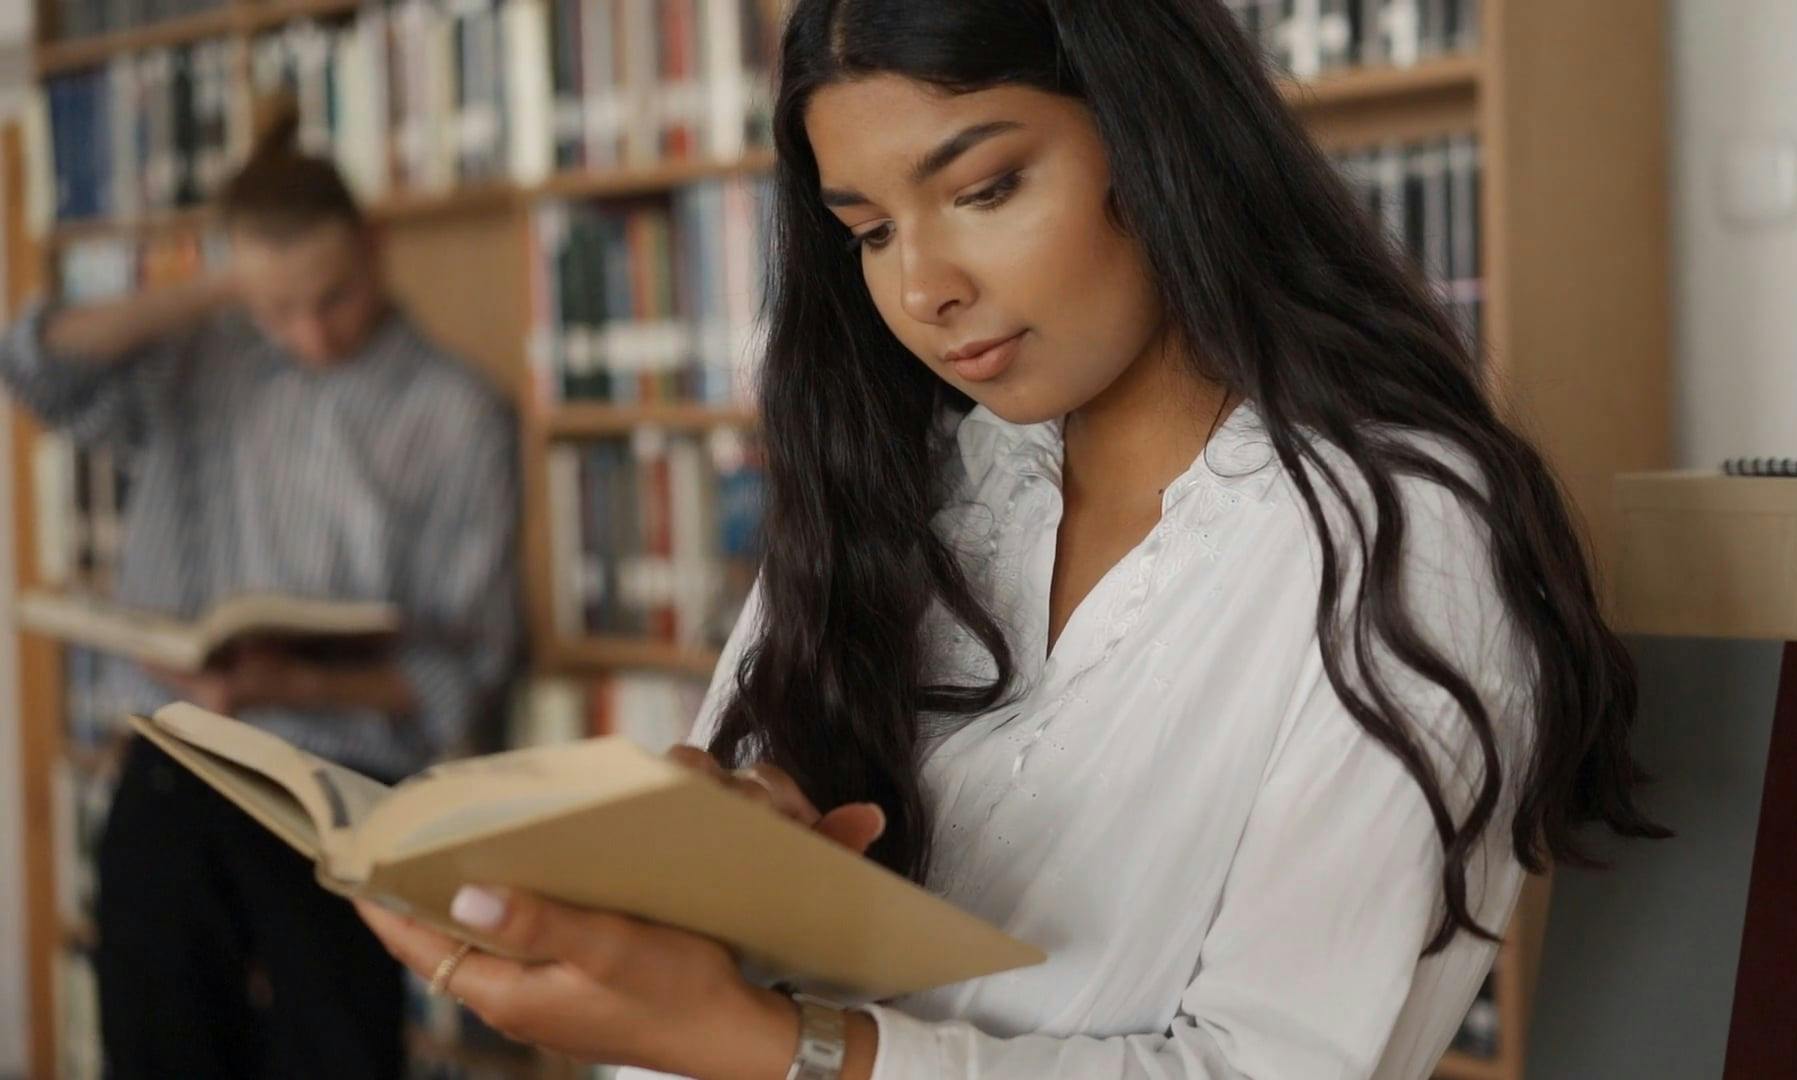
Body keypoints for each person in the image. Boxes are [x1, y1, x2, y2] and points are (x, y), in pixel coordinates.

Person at [357, 1, 1666, 1077]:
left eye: (984, 187)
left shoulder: (1393, 545)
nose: (924, 288)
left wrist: (782, 1042)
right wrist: (709, 905)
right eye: (867, 232)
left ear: (1157, 145)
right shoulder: (902, 493)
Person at [1, 110, 522, 1078]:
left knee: (338, 1057)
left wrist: (294, 684)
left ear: (374, 247)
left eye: (331, 297)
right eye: (277, 308)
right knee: (156, 1051)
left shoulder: (459, 415)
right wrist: (218, 287)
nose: (310, 334)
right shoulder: (202, 363)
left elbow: (474, 666)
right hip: (173, 769)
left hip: (346, 800)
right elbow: (32, 367)